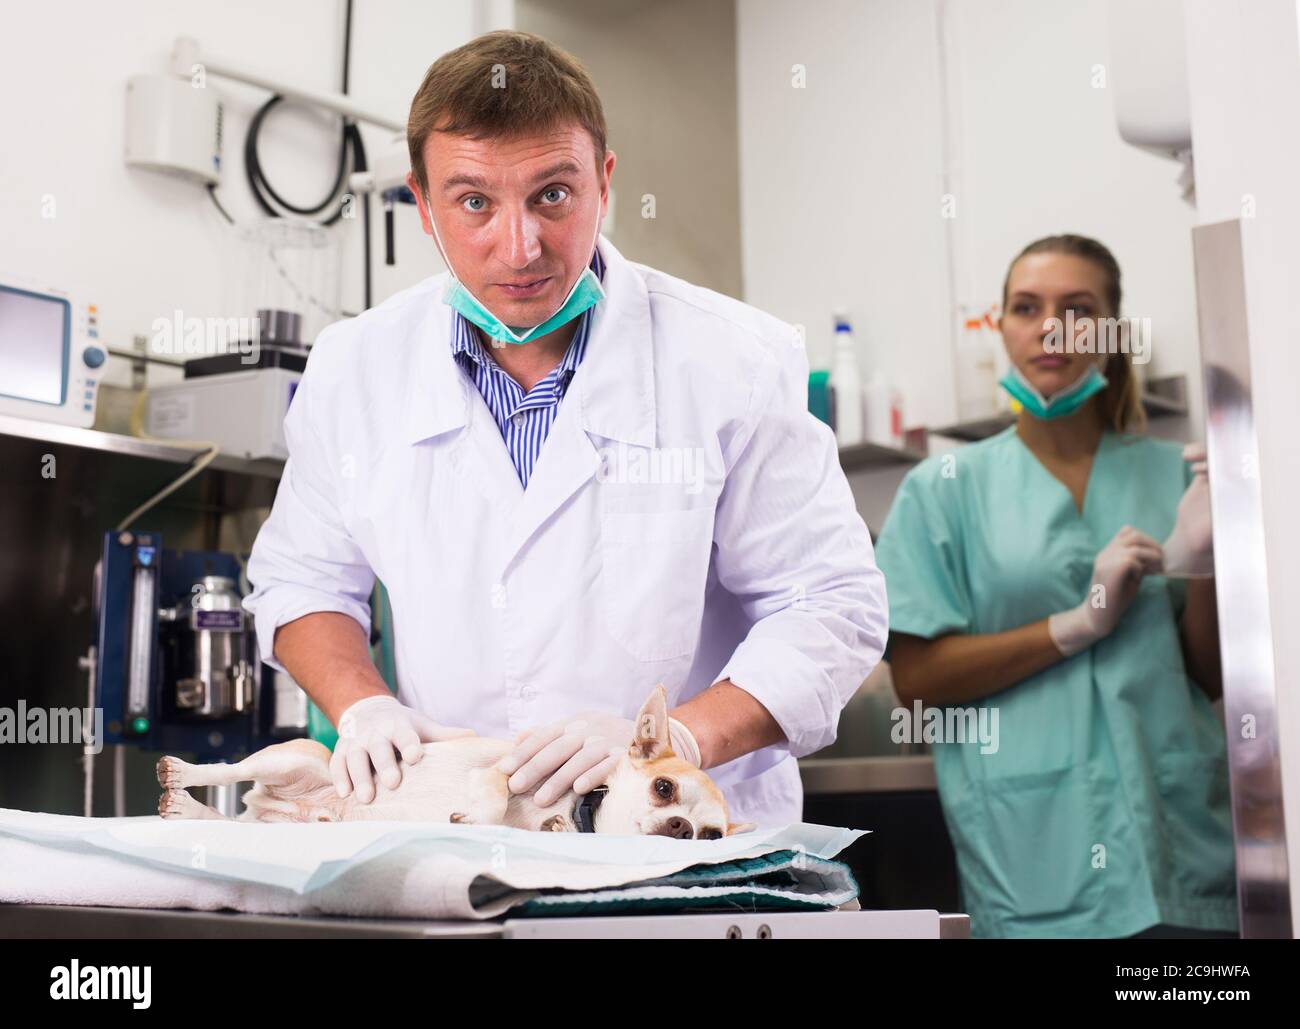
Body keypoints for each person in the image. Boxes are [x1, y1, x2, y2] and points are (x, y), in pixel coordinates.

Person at [242, 30, 886, 831]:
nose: (520, 246)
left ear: (604, 182)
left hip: (684, 850)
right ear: (422, 202)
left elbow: (828, 602)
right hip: (456, 835)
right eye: (474, 201)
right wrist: (363, 704)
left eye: (553, 194)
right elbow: (302, 582)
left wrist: (677, 738)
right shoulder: (353, 370)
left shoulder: (734, 361)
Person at [873, 234, 1236, 937]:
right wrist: (1077, 624)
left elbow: (1209, 674)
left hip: (1183, 840)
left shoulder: (1180, 476)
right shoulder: (945, 488)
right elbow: (916, 681)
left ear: (1112, 330)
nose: (1050, 328)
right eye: (1027, 307)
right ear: (1002, 325)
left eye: (1077, 308)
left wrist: (1206, 563)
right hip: (1035, 845)